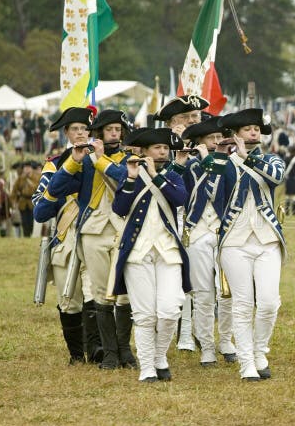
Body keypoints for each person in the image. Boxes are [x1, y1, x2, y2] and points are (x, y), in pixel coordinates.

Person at [46, 109, 133, 371]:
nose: (115, 134)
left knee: (124, 294)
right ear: (100, 133)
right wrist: (73, 160)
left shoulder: (129, 159)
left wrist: (99, 158)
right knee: (100, 295)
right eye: (110, 130)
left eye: (118, 130)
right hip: (93, 232)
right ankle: (108, 353)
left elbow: (125, 178)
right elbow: (56, 189)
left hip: (122, 230)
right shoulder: (82, 161)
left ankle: (124, 350)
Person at [111, 128, 191, 382]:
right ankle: (147, 367)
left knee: (169, 310)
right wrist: (133, 178)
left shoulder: (174, 175)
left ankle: (159, 357)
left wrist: (155, 176)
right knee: (145, 315)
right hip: (137, 253)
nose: (163, 151)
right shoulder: (130, 174)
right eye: (157, 148)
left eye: (165, 148)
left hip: (168, 252)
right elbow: (119, 208)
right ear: (144, 151)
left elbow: (180, 199)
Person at [212, 108, 286, 381]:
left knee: (268, 302)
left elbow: (276, 177)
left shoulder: (272, 159)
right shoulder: (223, 162)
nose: (253, 132)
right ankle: (247, 363)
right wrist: (221, 157)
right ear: (235, 134)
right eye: (247, 129)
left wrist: (245, 157)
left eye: (256, 128)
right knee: (243, 304)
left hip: (267, 238)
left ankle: (260, 350)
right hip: (234, 239)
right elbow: (209, 192)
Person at [32, 107, 103, 365]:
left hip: (95, 234)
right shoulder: (55, 164)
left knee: (95, 292)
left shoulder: (101, 160)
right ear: (66, 133)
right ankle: (76, 354)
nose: (81, 134)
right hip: (66, 237)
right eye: (75, 129)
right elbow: (40, 208)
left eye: (85, 129)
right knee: (69, 300)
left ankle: (97, 349)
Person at [180, 116, 238, 367]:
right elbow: (182, 195)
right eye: (210, 139)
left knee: (228, 292)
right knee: (203, 293)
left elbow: (226, 191)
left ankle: (226, 340)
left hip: (225, 232)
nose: (216, 142)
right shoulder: (190, 166)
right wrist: (202, 160)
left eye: (218, 138)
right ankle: (206, 345)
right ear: (199, 142)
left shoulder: (231, 164)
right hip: (198, 233)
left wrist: (213, 160)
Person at [155, 94, 209, 353]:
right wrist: (178, 147)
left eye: (195, 118)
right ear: (170, 124)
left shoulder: (208, 143)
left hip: (199, 219)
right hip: (167, 215)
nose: (192, 122)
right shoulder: (160, 146)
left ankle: (189, 332)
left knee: (194, 278)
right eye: (185, 118)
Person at [10, 160, 40, 237]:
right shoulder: (20, 178)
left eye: (28, 167)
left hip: (32, 201)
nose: (27, 169)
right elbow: (14, 190)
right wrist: (14, 202)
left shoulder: (37, 177)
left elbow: (38, 188)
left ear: (31, 168)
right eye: (25, 167)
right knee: (24, 221)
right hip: (22, 202)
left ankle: (30, 234)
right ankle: (26, 235)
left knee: (31, 221)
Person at [283, 145, 295, 216]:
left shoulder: (286, 158)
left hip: (288, 179)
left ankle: (287, 211)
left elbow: (284, 168)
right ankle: (294, 212)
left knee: (288, 196)